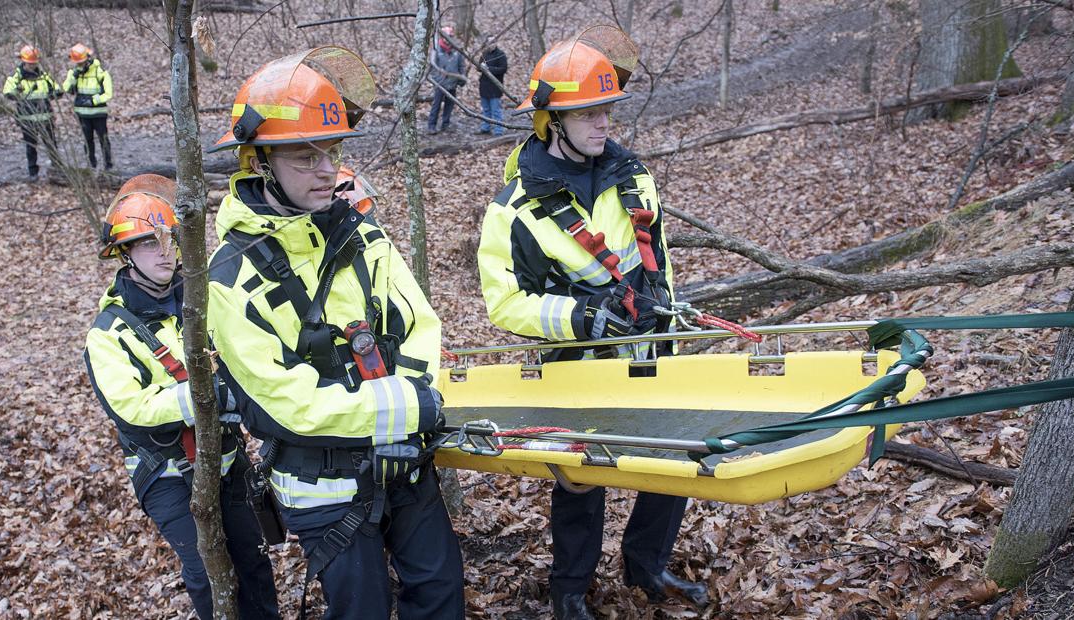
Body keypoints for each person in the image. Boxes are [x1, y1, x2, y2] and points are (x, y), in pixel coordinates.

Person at [206, 47, 464, 619]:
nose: (327, 168)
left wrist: (414, 404)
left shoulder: (363, 237)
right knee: (362, 610)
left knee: (442, 592)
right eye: (305, 156)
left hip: (404, 462)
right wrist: (407, 409)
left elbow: (419, 325)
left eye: (333, 151)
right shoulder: (231, 279)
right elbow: (288, 401)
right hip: (322, 486)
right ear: (260, 163)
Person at [475, 26, 710, 619]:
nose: (603, 122)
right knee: (580, 480)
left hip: (649, 349)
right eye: (588, 112)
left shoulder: (633, 177)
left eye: (607, 109)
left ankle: (647, 566)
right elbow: (504, 303)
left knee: (668, 464)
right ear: (550, 119)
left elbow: (656, 260)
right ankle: (571, 589)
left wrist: (669, 333)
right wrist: (580, 316)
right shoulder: (514, 210)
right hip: (576, 361)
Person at [83, 174, 280, 620]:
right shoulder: (109, 334)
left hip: (227, 458)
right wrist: (201, 399)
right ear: (125, 254)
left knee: (252, 559)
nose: (165, 251)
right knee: (206, 568)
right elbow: (131, 410)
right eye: (149, 243)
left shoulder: (202, 302)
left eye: (169, 239)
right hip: (167, 473)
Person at [3, 45, 61, 181]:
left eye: (34, 63)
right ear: (23, 62)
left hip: (45, 118)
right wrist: (16, 92)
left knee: (51, 145)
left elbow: (56, 89)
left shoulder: (43, 76)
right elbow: (7, 92)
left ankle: (57, 168)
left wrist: (55, 93)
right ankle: (33, 172)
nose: (32, 66)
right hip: (27, 119)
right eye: (30, 64)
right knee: (31, 147)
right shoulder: (16, 77)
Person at [61, 43, 113, 169]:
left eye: (81, 62)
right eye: (77, 63)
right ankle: (92, 165)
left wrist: (94, 100)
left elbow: (108, 93)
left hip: (99, 113)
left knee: (103, 139)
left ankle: (108, 165)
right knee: (87, 140)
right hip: (83, 115)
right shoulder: (74, 73)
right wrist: (73, 77)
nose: (79, 65)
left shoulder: (100, 73)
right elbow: (66, 88)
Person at [426, 26, 464, 135]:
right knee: (436, 105)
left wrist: (461, 78)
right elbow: (432, 68)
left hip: (453, 83)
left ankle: (445, 124)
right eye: (446, 36)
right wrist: (438, 80)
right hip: (440, 84)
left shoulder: (457, 50)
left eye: (450, 36)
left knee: (449, 105)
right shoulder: (436, 50)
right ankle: (431, 125)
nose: (448, 39)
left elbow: (461, 66)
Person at [476, 35, 507, 136]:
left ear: (496, 43)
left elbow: (503, 69)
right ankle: (486, 127)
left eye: (493, 42)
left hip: (495, 87)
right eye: (489, 42)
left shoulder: (501, 54)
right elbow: (478, 67)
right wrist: (481, 67)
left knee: (496, 110)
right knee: (486, 109)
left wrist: (488, 69)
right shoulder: (484, 54)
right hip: (484, 86)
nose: (491, 44)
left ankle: (499, 130)